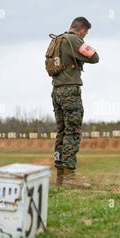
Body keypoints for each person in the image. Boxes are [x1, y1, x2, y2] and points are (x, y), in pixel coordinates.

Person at [47, 17, 99, 189]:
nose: (85, 35)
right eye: (86, 32)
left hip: (56, 90)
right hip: (70, 91)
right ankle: (70, 175)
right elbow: (94, 57)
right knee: (73, 132)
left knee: (61, 132)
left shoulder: (57, 39)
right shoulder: (74, 39)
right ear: (82, 29)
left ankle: (60, 175)